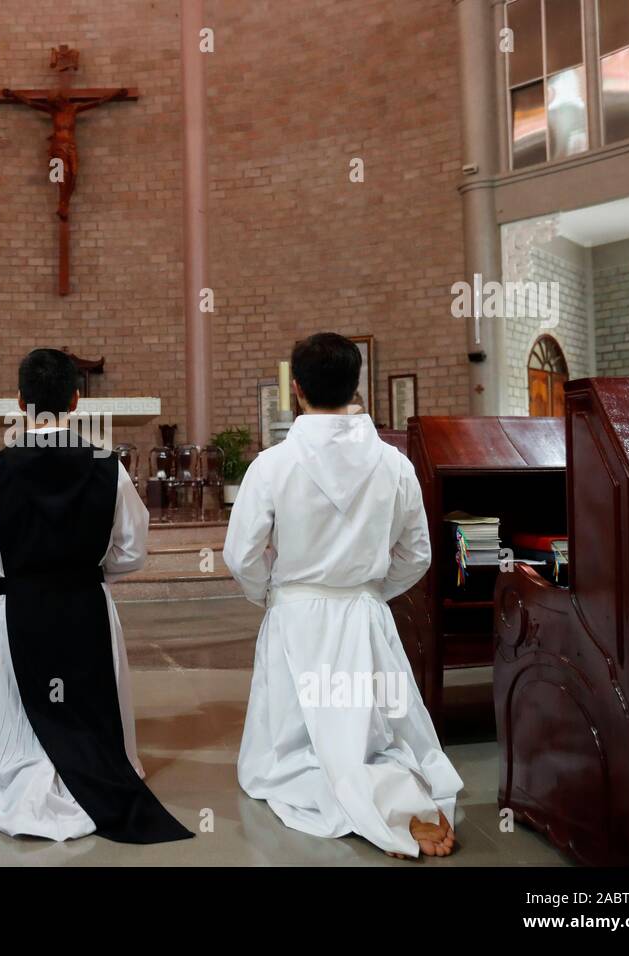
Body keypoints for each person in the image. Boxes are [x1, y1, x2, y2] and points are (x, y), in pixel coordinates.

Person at [224, 332, 461, 859]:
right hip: (365, 614)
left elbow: (241, 556)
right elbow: (417, 554)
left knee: (282, 758)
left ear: (297, 390)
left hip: (297, 618)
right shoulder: (395, 465)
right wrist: (373, 591)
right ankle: (404, 795)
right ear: (356, 386)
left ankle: (385, 808)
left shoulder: (272, 465)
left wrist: (273, 596)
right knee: (375, 733)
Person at [0, 348, 192, 844]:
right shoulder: (109, 466)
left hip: (21, 608)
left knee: (16, 704)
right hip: (86, 606)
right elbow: (132, 548)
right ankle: (95, 767)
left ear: (19, 401)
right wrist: (91, 573)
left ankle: (19, 767)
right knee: (87, 699)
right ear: (76, 401)